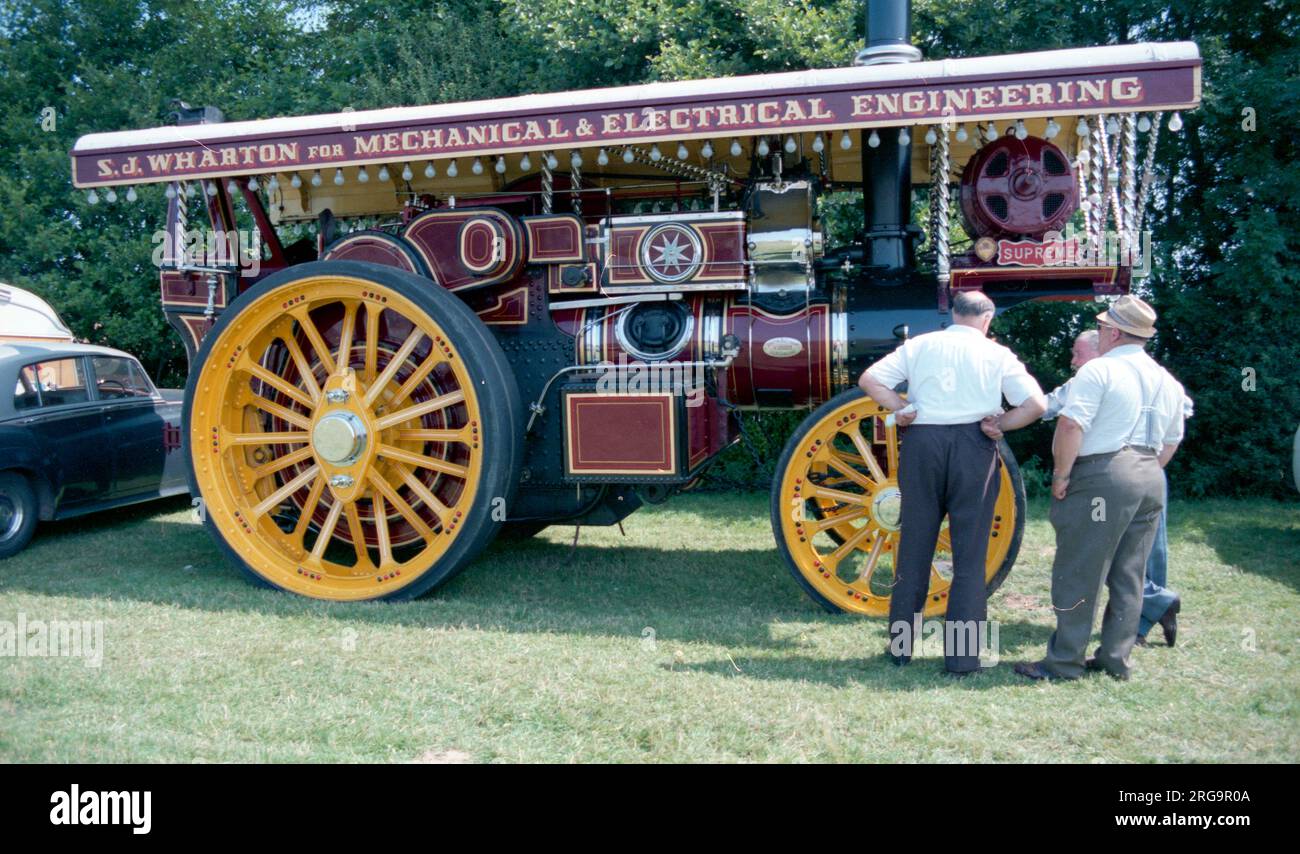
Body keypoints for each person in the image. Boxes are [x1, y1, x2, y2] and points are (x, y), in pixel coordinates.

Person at [859, 290, 1046, 675]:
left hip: (923, 442)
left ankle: (900, 648)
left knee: (913, 545)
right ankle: (963, 658)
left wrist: (901, 408)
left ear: (952, 313)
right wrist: (1000, 425)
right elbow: (1036, 405)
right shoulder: (998, 354)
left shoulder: (922, 344)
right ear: (987, 319)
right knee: (970, 555)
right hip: (973, 446)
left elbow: (870, 379)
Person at [1015, 295, 1186, 681]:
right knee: (1129, 573)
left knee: (1080, 570)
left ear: (1111, 332)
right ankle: (1115, 659)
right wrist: (1145, 469)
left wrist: (1061, 475)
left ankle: (1064, 662)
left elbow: (1071, 425)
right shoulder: (1167, 380)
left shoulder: (1098, 372)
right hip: (1150, 474)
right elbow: (1173, 439)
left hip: (1103, 474)